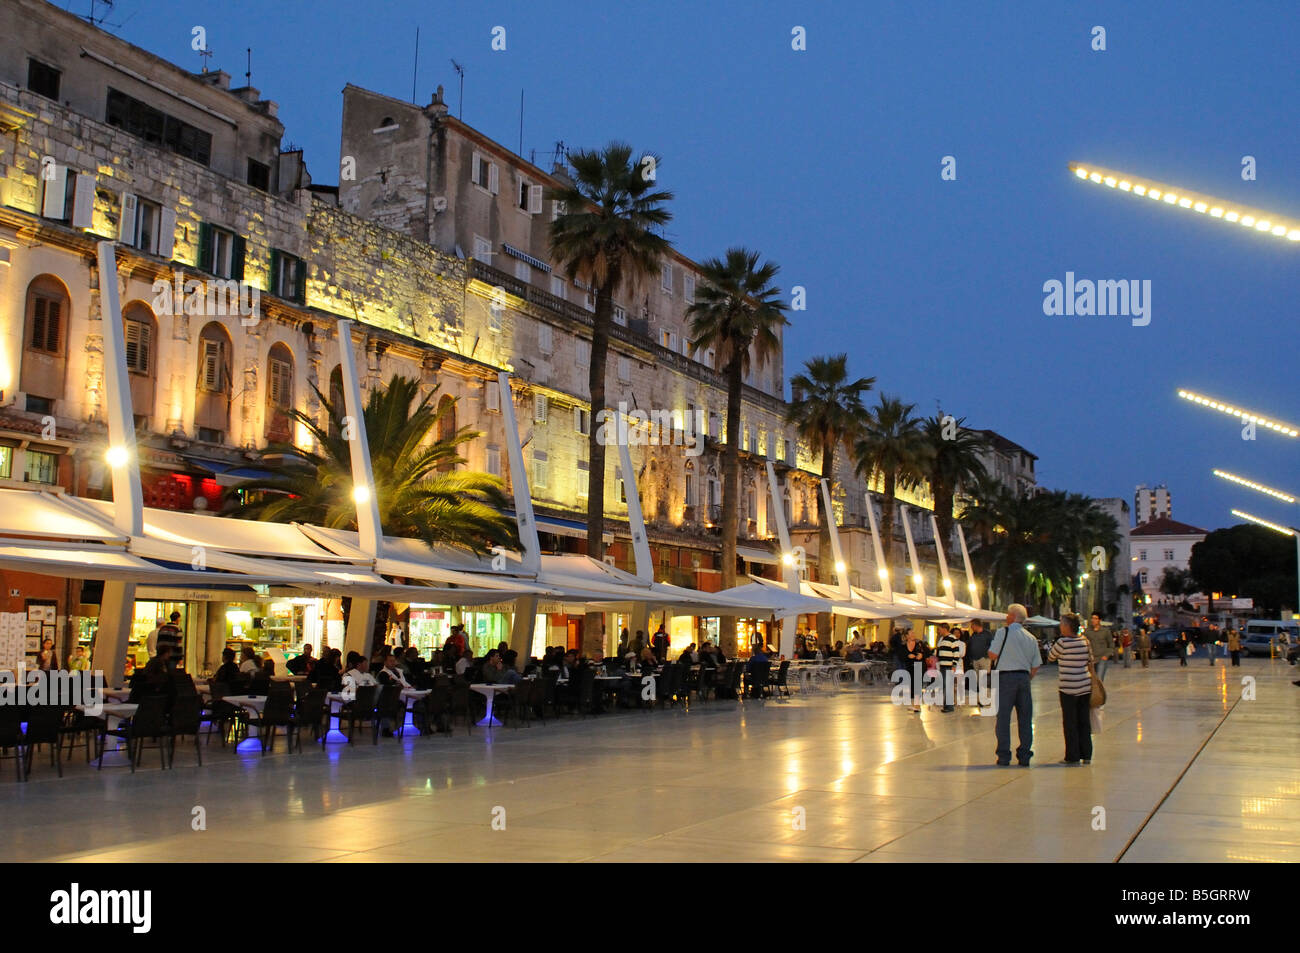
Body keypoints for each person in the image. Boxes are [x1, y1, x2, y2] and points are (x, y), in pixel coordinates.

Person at [987, 604, 1040, 767]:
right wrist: (1027, 677)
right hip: (1024, 678)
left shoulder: (1003, 633)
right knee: (1025, 718)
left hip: (1006, 678)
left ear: (1012, 617)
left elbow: (993, 654)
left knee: (1003, 718)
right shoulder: (1030, 637)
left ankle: (1003, 756)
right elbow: (1036, 664)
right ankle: (1024, 755)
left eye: (1007, 614)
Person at [1047, 613, 1094, 765]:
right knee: (1084, 721)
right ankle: (1086, 754)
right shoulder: (1085, 641)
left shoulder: (1062, 642)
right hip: (1085, 686)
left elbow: (1051, 657)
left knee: (1070, 723)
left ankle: (1072, 756)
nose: (1060, 626)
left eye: (1061, 623)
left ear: (1067, 626)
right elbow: (1090, 660)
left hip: (1068, 688)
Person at [935, 623, 964, 713]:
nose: (938, 631)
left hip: (948, 666)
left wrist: (954, 665)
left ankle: (949, 706)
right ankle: (946, 705)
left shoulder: (952, 638)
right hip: (943, 665)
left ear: (944, 629)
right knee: (945, 685)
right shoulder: (942, 639)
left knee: (948, 686)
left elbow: (956, 653)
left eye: (939, 628)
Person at [902, 630, 925, 713]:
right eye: (911, 633)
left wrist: (921, 655)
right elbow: (901, 655)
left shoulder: (919, 643)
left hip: (918, 665)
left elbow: (926, 652)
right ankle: (915, 704)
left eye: (913, 633)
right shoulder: (903, 645)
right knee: (912, 685)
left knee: (917, 685)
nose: (913, 634)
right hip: (909, 666)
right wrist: (908, 655)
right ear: (907, 636)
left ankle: (917, 705)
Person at [1083, 614, 1111, 681]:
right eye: (1092, 618)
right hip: (1091, 659)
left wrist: (1106, 655)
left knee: (1099, 680)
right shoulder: (1087, 631)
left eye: (1095, 618)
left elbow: (1111, 645)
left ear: (1099, 620)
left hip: (1102, 658)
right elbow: (1083, 643)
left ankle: (1099, 691)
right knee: (1091, 681)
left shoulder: (1105, 631)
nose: (1093, 620)